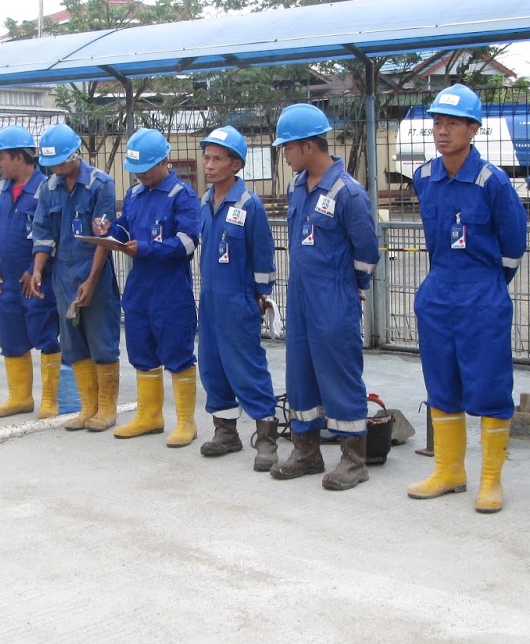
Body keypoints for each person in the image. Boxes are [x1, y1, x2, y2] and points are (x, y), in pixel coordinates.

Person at [405, 84, 528, 512]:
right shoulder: (424, 177)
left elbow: (513, 246)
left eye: (453, 123)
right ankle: (449, 470)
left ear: (474, 129)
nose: (442, 131)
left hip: (482, 294)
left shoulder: (491, 181)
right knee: (442, 383)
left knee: (490, 384)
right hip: (438, 291)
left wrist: (490, 287)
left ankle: (490, 480)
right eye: (437, 122)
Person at [269, 103, 380, 491]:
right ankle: (306, 450)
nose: (283, 154)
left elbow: (367, 251)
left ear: (308, 146)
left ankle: (354, 459)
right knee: (300, 372)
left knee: (339, 373)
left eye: (287, 147)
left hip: (334, 296)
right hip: (300, 294)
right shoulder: (297, 188)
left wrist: (353, 289)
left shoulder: (348, 193)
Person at [107, 128, 203, 447]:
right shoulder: (135, 195)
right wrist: (111, 231)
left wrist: (146, 249)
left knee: (177, 351)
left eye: (146, 169)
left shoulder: (182, 195)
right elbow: (125, 226)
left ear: (164, 161)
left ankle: (186, 422)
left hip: (170, 291)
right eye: (136, 171)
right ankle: (150, 416)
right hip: (139, 289)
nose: (141, 176)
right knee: (141, 350)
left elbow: (188, 242)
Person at [194, 125, 280, 471]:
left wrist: (262, 295)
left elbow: (263, 254)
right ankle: (225, 432)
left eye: (217, 159)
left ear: (236, 165)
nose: (209, 165)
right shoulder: (205, 202)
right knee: (212, 365)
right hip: (211, 299)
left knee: (247, 366)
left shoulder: (249, 205)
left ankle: (267, 439)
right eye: (207, 158)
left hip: (239, 299)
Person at [26, 124, 121, 431]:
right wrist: (38, 270)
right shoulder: (48, 189)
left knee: (101, 341)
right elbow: (42, 233)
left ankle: (107, 409)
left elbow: (103, 239)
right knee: (72, 344)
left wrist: (92, 281)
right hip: (62, 277)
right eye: (51, 164)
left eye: (60, 162)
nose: (55, 169)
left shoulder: (99, 185)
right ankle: (88, 407)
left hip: (94, 274)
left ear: (74, 156)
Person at [0, 126, 61, 419]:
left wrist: (34, 270)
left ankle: (50, 399)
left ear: (19, 157)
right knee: (11, 336)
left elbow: (51, 234)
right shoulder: (1, 189)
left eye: (1, 157)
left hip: (37, 280)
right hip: (6, 280)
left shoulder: (46, 189)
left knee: (45, 334)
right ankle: (19, 397)